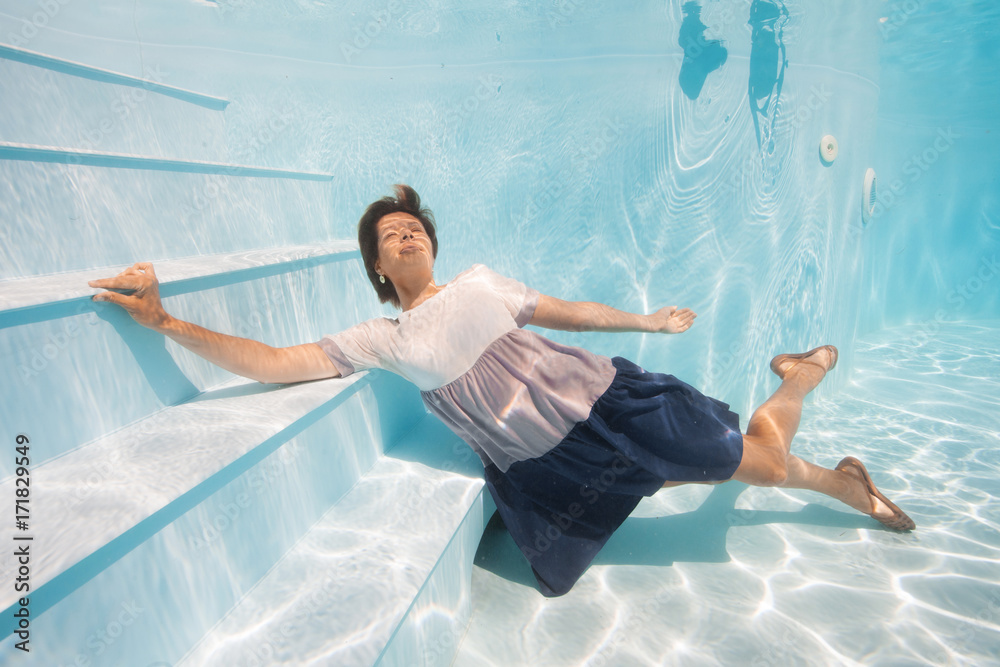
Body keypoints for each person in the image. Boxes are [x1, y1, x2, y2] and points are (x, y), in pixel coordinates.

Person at [89, 184, 914, 597]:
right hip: (547, 464)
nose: (405, 233)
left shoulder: (480, 282)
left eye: (412, 226)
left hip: (608, 403)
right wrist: (167, 323)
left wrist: (648, 321)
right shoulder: (382, 338)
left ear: (430, 243)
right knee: (556, 567)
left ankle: (806, 396)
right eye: (388, 235)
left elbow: (566, 311)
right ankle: (827, 446)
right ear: (379, 266)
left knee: (760, 464)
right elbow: (273, 360)